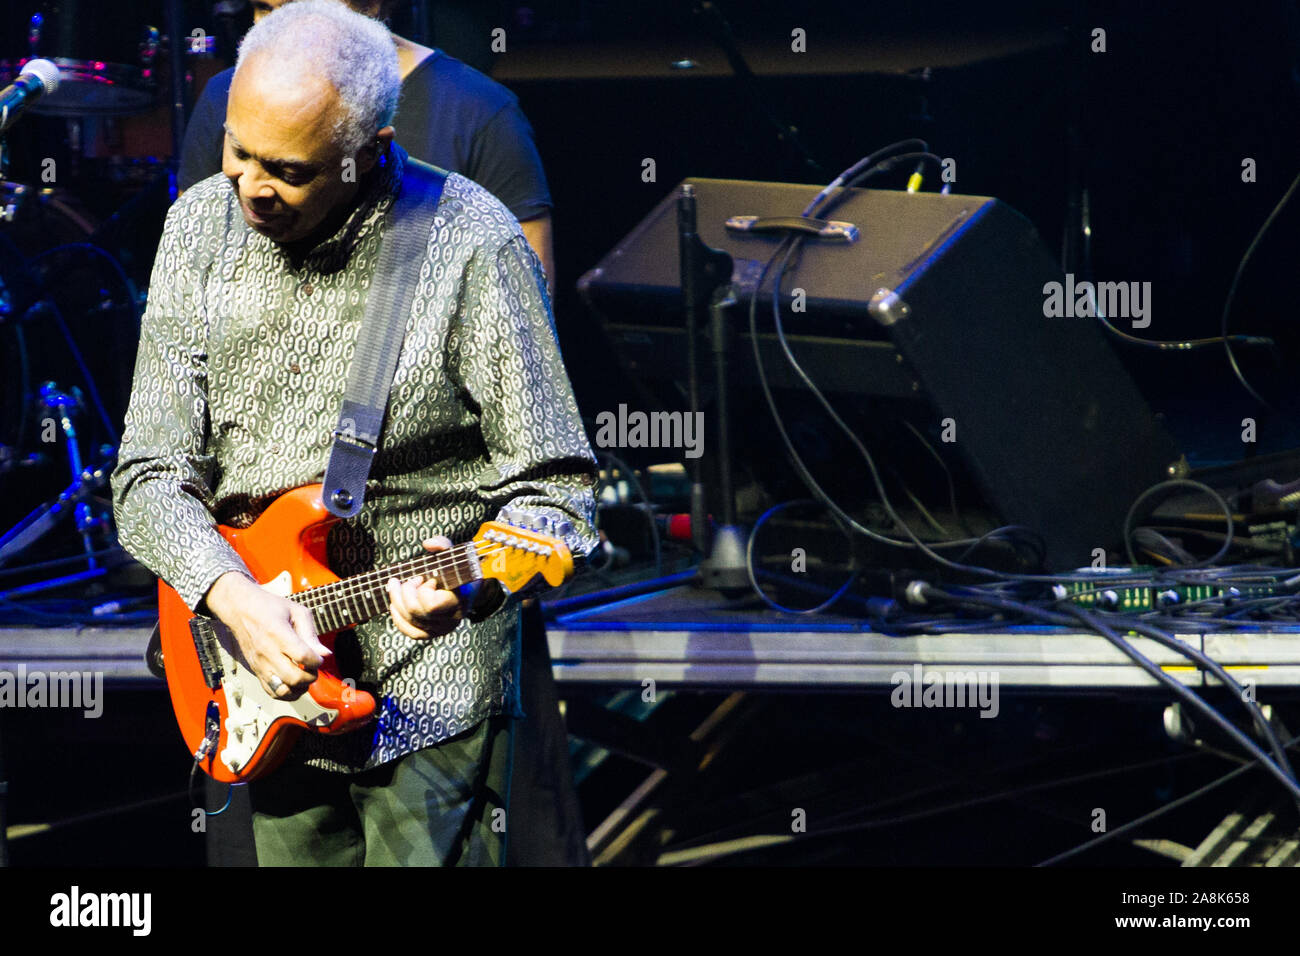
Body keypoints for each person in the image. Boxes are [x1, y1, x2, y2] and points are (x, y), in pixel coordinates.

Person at [112, 0, 598, 866]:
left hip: (428, 688)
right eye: (238, 152)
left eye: (289, 171)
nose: (252, 187)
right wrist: (230, 598)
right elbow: (149, 471)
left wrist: (473, 587)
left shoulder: (469, 241)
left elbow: (557, 492)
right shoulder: (197, 227)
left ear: (368, 149)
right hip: (259, 674)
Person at [181, 0, 555, 291]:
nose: (279, 30)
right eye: (264, 8)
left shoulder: (480, 112)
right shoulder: (224, 96)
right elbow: (187, 270)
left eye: (298, 8)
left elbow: (524, 312)